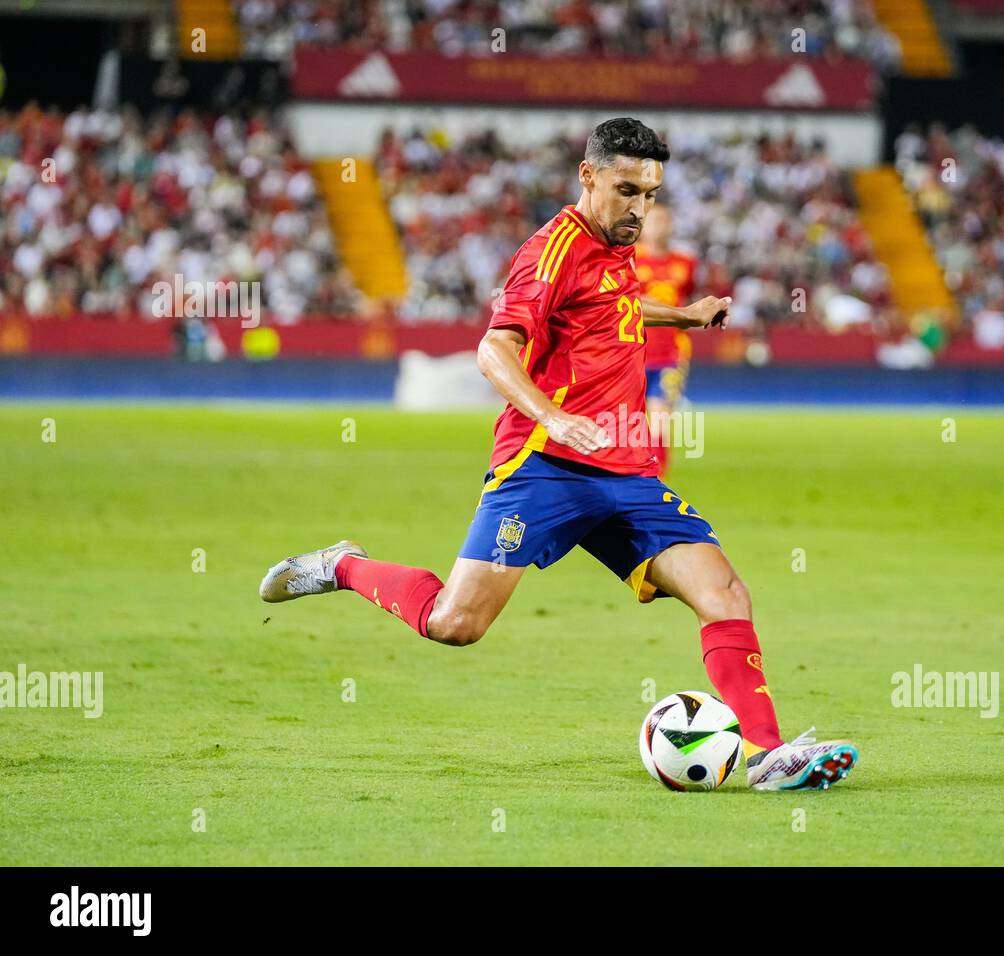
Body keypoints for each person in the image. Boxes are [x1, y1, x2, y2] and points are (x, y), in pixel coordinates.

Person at [259, 118, 858, 791]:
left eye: (651, 195)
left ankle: (768, 756)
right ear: (589, 176)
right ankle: (343, 566)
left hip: (624, 470)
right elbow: (495, 348)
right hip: (544, 466)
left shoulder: (618, 243)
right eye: (627, 190)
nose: (640, 208)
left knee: (724, 593)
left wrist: (682, 316)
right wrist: (555, 417)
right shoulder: (550, 252)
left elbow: (614, 306)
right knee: (456, 623)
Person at [634, 203, 696, 479]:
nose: (660, 227)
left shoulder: (685, 263)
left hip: (672, 353)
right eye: (654, 221)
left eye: (665, 222)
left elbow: (688, 301)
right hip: (633, 352)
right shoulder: (628, 259)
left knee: (660, 419)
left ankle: (656, 482)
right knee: (630, 421)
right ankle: (631, 476)